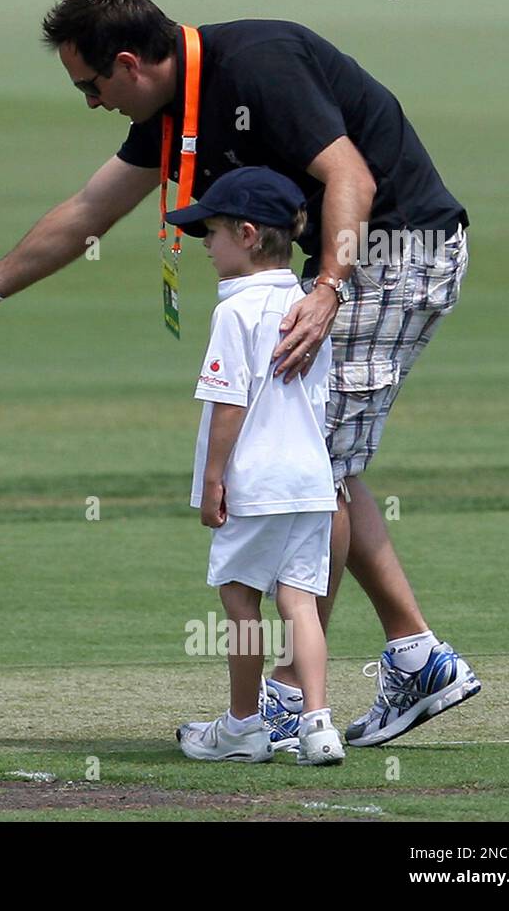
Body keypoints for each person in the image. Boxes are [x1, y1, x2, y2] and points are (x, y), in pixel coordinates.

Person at [0, 0, 480, 747]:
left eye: (90, 86)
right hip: (351, 264)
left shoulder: (257, 64)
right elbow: (89, 211)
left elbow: (353, 178)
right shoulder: (170, 106)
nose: (90, 103)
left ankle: (292, 694)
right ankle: (411, 657)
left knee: (318, 467)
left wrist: (326, 289)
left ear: (126, 63)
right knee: (327, 466)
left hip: (391, 251)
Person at [169, 168, 342, 765]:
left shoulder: (234, 313)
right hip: (312, 480)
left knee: (241, 602)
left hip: (257, 483)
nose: (205, 248)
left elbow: (229, 403)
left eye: (210, 234)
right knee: (299, 598)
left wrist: (214, 478)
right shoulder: (309, 306)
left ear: (246, 235)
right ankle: (318, 723)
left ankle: (244, 726)